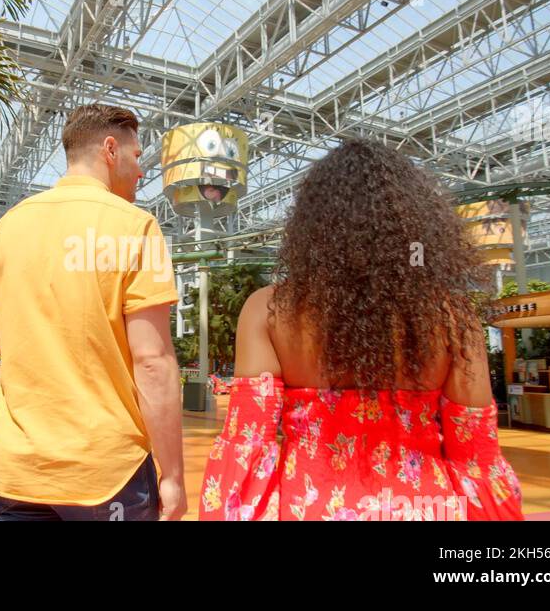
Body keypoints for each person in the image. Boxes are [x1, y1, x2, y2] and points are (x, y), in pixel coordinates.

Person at [200, 138, 524, 521]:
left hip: (311, 506)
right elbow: (475, 455)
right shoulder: (453, 317)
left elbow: (246, 447)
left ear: (312, 226)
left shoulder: (267, 310)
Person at [0, 104, 186, 521]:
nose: (142, 171)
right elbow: (152, 362)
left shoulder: (7, 227)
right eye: (138, 156)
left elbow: (3, 341)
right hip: (107, 473)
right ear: (111, 149)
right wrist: (174, 476)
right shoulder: (135, 227)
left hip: (14, 470)